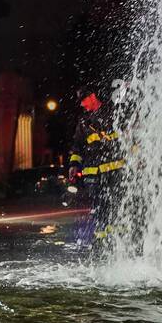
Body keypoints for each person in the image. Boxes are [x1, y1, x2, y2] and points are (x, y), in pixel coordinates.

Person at [68, 88, 124, 250]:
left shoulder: (114, 113)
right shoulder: (84, 122)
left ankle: (118, 238)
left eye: (83, 100)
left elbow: (126, 137)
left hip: (114, 170)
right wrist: (73, 165)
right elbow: (77, 147)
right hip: (93, 173)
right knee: (99, 207)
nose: (81, 104)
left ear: (92, 96)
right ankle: (101, 240)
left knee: (116, 205)